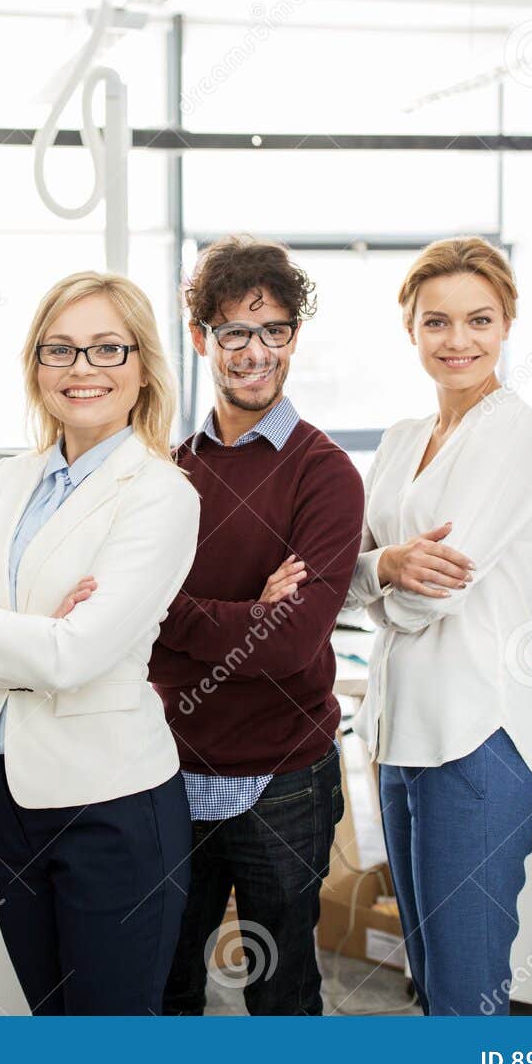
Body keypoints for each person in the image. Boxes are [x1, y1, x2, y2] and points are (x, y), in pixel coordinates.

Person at [0, 271, 198, 1016]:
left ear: (143, 367)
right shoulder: (8, 478)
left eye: (108, 348)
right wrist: (28, 627)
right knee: (51, 1020)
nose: (83, 369)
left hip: (114, 804)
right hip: (9, 797)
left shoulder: (161, 491)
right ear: (36, 366)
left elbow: (72, 656)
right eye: (62, 350)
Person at [150, 237, 363, 1016]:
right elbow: (134, 620)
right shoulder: (168, 470)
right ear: (202, 336)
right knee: (168, 985)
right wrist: (245, 612)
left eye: (273, 329)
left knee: (281, 992)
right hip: (171, 767)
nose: (254, 352)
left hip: (284, 778)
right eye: (235, 332)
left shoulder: (326, 473)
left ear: (293, 337)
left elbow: (293, 641)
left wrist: (176, 613)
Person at [345, 237, 532, 1015]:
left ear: (507, 324)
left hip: (479, 742)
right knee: (427, 979)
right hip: (399, 737)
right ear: (411, 328)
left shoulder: (515, 430)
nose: (457, 340)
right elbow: (349, 573)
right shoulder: (400, 440)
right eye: (437, 322)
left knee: (466, 992)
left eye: (478, 319)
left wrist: (382, 579)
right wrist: (386, 568)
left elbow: (439, 589)